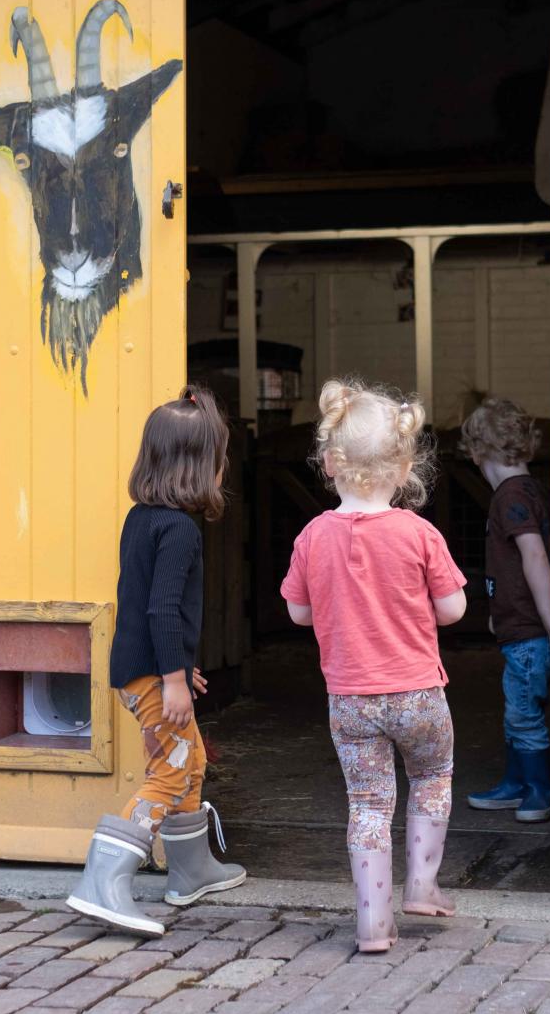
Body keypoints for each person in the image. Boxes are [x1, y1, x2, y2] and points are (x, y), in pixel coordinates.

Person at [281, 379, 468, 953]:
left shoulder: (312, 536)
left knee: (367, 803)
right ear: (405, 465)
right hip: (417, 694)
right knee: (431, 778)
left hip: (351, 699)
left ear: (330, 463)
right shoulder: (420, 533)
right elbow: (453, 609)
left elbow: (298, 614)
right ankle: (423, 884)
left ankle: (372, 923)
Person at [66, 387, 246, 936]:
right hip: (152, 676)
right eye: (219, 456)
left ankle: (191, 870)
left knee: (189, 762)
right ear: (199, 467)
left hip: (141, 668)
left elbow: (144, 606)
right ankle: (102, 879)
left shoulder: (142, 518)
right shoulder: (179, 531)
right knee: (170, 772)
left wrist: (177, 668)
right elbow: (163, 609)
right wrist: (173, 681)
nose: (224, 467)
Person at [459, 398, 550, 823]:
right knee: (516, 710)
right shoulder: (529, 489)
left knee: (523, 712)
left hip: (529, 631)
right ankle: (516, 784)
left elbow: (533, 556)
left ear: (480, 453)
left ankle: (538, 789)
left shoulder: (509, 498)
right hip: (519, 625)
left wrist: (548, 614)